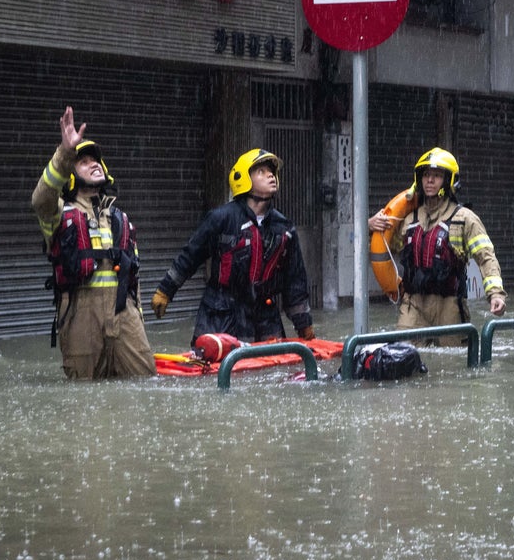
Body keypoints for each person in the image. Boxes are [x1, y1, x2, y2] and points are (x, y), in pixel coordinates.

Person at [31, 106, 155, 379]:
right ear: (70, 173)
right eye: (84, 161)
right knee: (84, 401)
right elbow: (41, 198)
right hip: (80, 316)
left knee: (145, 384)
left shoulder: (120, 218)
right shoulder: (58, 214)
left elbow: (135, 278)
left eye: (96, 160)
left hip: (125, 315)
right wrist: (64, 154)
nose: (94, 163)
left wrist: (139, 320)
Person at [150, 148, 315, 346]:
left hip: (265, 318)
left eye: (271, 171)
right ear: (243, 179)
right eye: (261, 171)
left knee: (269, 372)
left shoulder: (284, 228)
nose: (271, 175)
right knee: (215, 370)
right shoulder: (221, 219)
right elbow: (190, 256)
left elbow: (295, 281)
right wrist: (165, 291)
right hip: (220, 316)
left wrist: (304, 327)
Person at [368, 147, 506, 345]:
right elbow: (385, 247)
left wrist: (496, 294)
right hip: (412, 305)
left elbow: (486, 258)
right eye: (426, 175)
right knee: (402, 356)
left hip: (449, 306)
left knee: (451, 364)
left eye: (437, 175)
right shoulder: (408, 219)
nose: (429, 181)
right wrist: (370, 227)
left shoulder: (464, 219)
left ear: (448, 180)